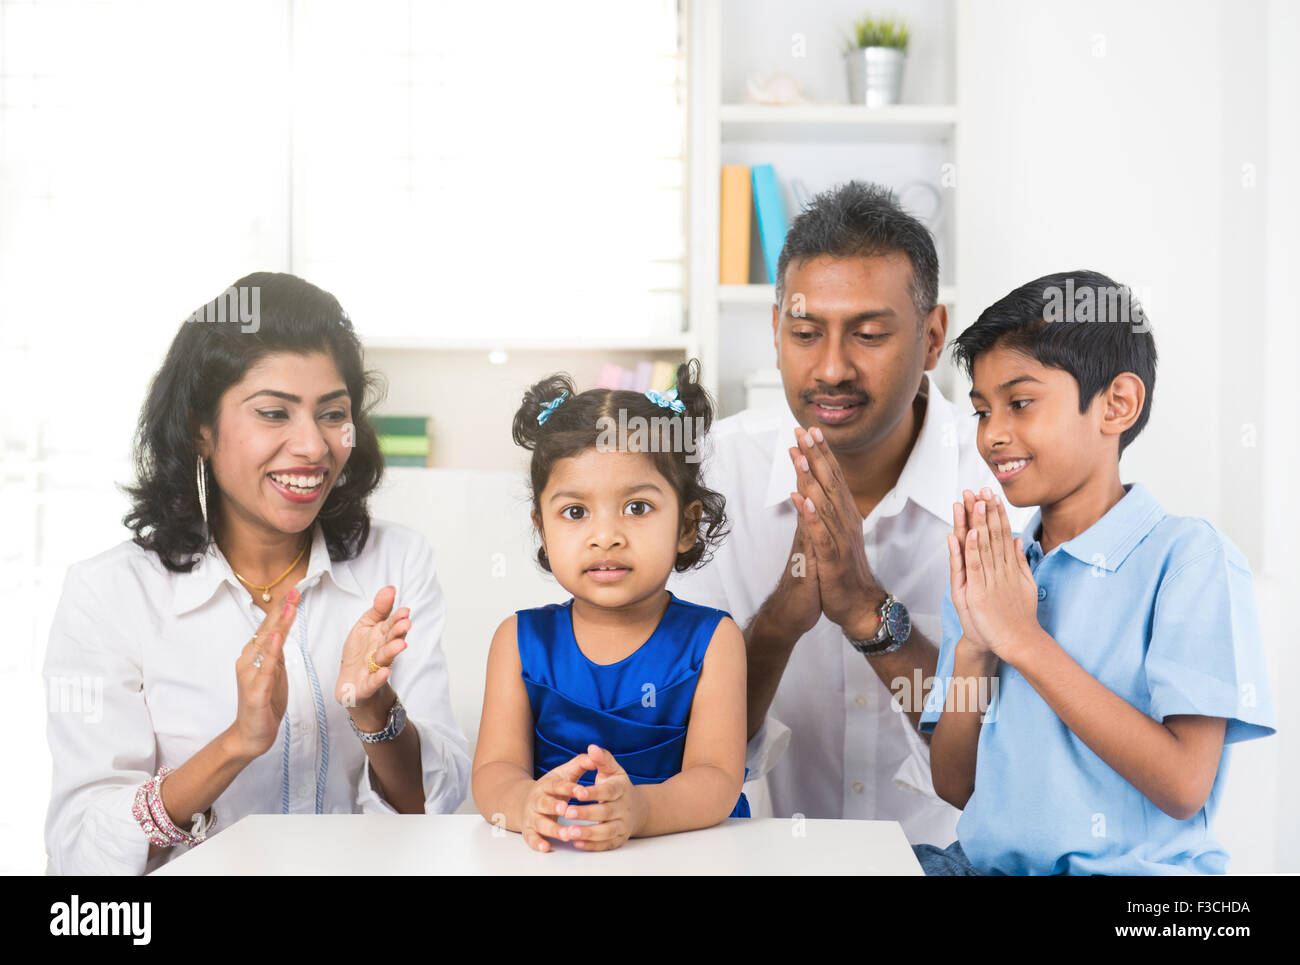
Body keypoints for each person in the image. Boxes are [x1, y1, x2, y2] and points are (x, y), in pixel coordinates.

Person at [43, 272, 470, 875]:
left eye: (333, 414)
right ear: (201, 426)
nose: (313, 447)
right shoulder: (109, 595)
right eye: (274, 412)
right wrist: (236, 744)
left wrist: (375, 713)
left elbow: (433, 806)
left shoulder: (395, 565)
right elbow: (82, 852)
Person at [667, 181, 1025, 845]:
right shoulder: (713, 478)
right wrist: (778, 623)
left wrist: (869, 612)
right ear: (776, 332)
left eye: (868, 334)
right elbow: (679, 748)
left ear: (931, 337)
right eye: (805, 332)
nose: (832, 368)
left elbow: (1006, 759)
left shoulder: (1000, 488)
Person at [916, 269, 1276, 875]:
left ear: (1117, 405)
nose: (993, 435)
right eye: (981, 411)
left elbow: (1185, 785)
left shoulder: (1187, 558)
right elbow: (956, 784)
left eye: (1020, 403)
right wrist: (977, 649)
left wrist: (1023, 640)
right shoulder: (994, 570)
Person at [472, 360, 747, 852]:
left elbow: (717, 782)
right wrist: (523, 805)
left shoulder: (714, 641)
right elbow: (495, 771)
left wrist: (639, 811)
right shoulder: (517, 642)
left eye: (637, 508)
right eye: (575, 512)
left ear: (686, 525)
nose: (605, 537)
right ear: (541, 526)